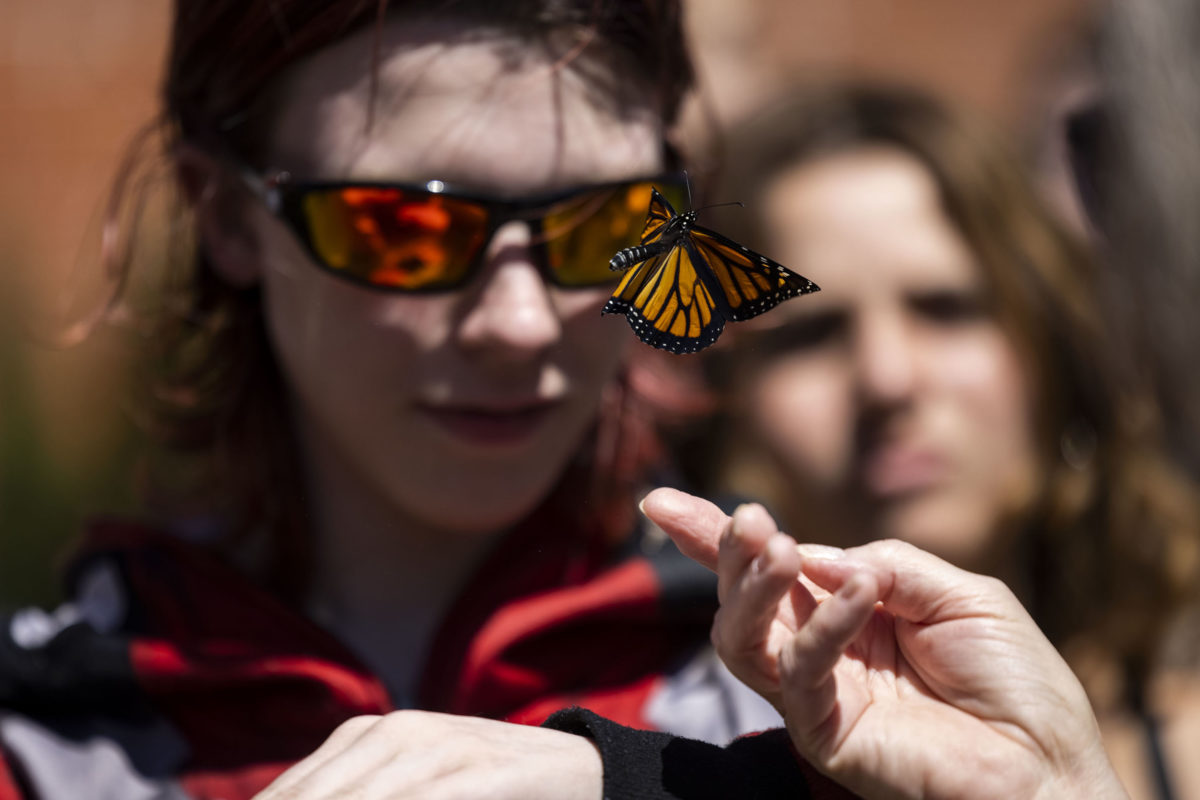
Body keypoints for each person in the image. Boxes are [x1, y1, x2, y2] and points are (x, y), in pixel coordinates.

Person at [0, 3, 843, 798]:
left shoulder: (818, 697)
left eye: (603, 222)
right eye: (403, 229)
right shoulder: (44, 748)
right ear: (224, 214)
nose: (518, 324)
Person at [660, 84, 1200, 799]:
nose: (887, 379)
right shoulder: (664, 739)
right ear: (729, 398)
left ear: (1053, 346)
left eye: (947, 309)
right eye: (812, 334)